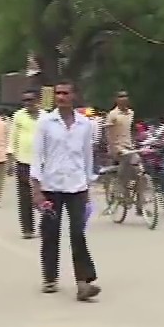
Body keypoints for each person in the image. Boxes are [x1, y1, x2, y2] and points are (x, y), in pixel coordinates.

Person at [30, 81, 101, 301]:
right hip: (51, 186)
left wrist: (88, 186)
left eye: (65, 93)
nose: (61, 97)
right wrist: (36, 190)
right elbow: (37, 156)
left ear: (74, 96)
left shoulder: (85, 125)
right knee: (50, 233)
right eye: (58, 93)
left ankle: (83, 282)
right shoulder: (45, 122)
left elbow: (88, 157)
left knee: (78, 233)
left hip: (77, 186)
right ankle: (50, 277)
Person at [9, 91, 43, 239]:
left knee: (45, 196)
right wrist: (11, 159)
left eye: (30, 100)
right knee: (25, 197)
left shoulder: (46, 117)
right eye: (24, 100)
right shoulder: (18, 116)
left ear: (38, 100)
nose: (27, 103)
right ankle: (27, 229)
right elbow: (13, 137)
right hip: (23, 161)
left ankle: (46, 226)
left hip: (42, 163)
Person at [105, 91, 136, 190]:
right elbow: (108, 133)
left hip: (130, 146)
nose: (123, 98)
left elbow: (132, 129)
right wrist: (113, 147)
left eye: (125, 96)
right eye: (121, 96)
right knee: (125, 164)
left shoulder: (131, 113)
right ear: (116, 99)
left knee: (139, 167)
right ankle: (121, 187)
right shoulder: (112, 115)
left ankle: (139, 199)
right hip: (117, 147)